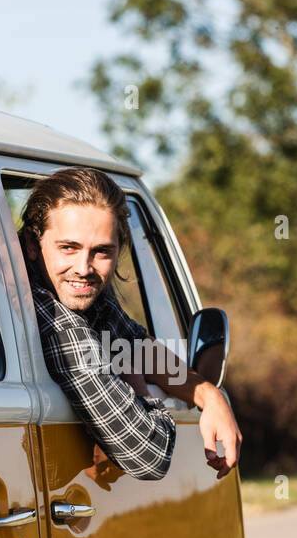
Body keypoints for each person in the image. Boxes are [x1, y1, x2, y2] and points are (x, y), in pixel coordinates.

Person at [18, 167, 242, 482]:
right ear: (32, 243)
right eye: (68, 248)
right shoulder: (54, 320)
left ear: (118, 250)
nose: (83, 268)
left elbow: (137, 345)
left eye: (101, 252)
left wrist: (209, 395)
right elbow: (149, 457)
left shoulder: (87, 297)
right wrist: (137, 388)